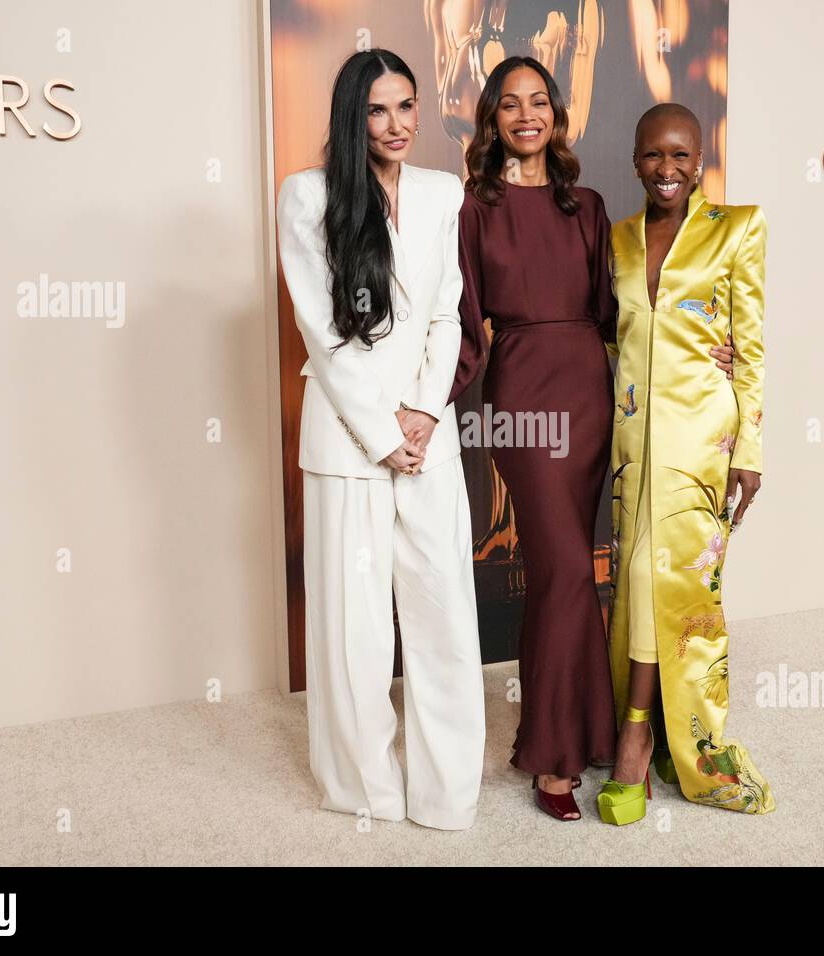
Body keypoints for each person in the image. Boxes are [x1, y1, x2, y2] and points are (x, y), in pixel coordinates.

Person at [276, 48, 485, 830]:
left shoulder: (443, 192)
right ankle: (366, 790)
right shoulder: (307, 195)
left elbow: (448, 313)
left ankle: (446, 795)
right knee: (354, 635)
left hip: (428, 440)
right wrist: (379, 431)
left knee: (444, 620)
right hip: (346, 443)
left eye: (406, 106)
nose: (396, 124)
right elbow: (322, 329)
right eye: (376, 110)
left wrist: (426, 413)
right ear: (351, 116)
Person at [447, 56, 617, 821]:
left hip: (589, 391)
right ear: (492, 119)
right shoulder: (472, 210)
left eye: (538, 102)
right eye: (510, 104)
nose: (526, 115)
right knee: (569, 569)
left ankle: (570, 736)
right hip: (520, 397)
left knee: (566, 573)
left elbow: (620, 315)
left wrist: (703, 344)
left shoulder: (587, 204)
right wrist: (422, 407)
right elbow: (463, 323)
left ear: (555, 113)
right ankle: (558, 757)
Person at [598, 103, 776, 825]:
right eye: (652, 156)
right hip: (633, 442)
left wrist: (750, 450)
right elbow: (612, 339)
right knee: (636, 584)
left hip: (703, 442)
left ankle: (638, 742)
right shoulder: (619, 239)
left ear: (700, 160)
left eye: (680, 155)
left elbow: (752, 345)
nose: (665, 169)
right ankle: (651, 726)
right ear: (636, 161)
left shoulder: (738, 228)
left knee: (672, 587)